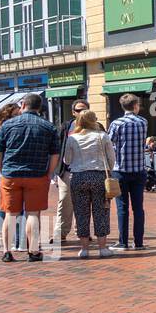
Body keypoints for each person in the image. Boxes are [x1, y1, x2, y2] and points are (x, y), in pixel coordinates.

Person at [0, 93, 60, 263]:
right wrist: (48, 173)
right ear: (39, 108)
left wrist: (2, 170)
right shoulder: (48, 127)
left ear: (23, 105)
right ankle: (33, 251)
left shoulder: (7, 125)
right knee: (33, 214)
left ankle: (7, 252)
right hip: (37, 175)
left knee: (10, 213)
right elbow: (54, 155)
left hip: (11, 175)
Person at [62, 111, 117, 259]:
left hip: (78, 177)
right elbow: (111, 158)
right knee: (101, 211)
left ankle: (84, 248)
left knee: (81, 212)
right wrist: (108, 171)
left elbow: (67, 160)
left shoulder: (72, 138)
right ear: (94, 121)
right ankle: (103, 248)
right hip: (99, 176)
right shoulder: (102, 136)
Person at [108, 93, 150, 251]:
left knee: (122, 207)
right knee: (138, 208)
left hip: (121, 170)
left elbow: (110, 143)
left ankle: (123, 242)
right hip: (139, 170)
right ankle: (138, 242)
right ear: (135, 106)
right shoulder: (143, 122)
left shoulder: (116, 123)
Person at [0, 103, 27, 253]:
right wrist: (0, 170)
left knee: (9, 207)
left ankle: (14, 240)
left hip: (7, 170)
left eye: (19, 115)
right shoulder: (3, 130)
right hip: (5, 171)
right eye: (15, 115)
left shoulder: (5, 129)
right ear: (7, 116)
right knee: (9, 208)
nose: (18, 117)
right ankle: (11, 240)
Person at [53, 99, 89, 245]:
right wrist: (56, 170)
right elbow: (58, 147)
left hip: (88, 170)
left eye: (84, 109)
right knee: (64, 201)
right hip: (67, 170)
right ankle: (60, 233)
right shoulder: (66, 126)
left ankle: (82, 231)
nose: (81, 113)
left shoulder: (96, 127)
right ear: (73, 112)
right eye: (78, 110)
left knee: (85, 203)